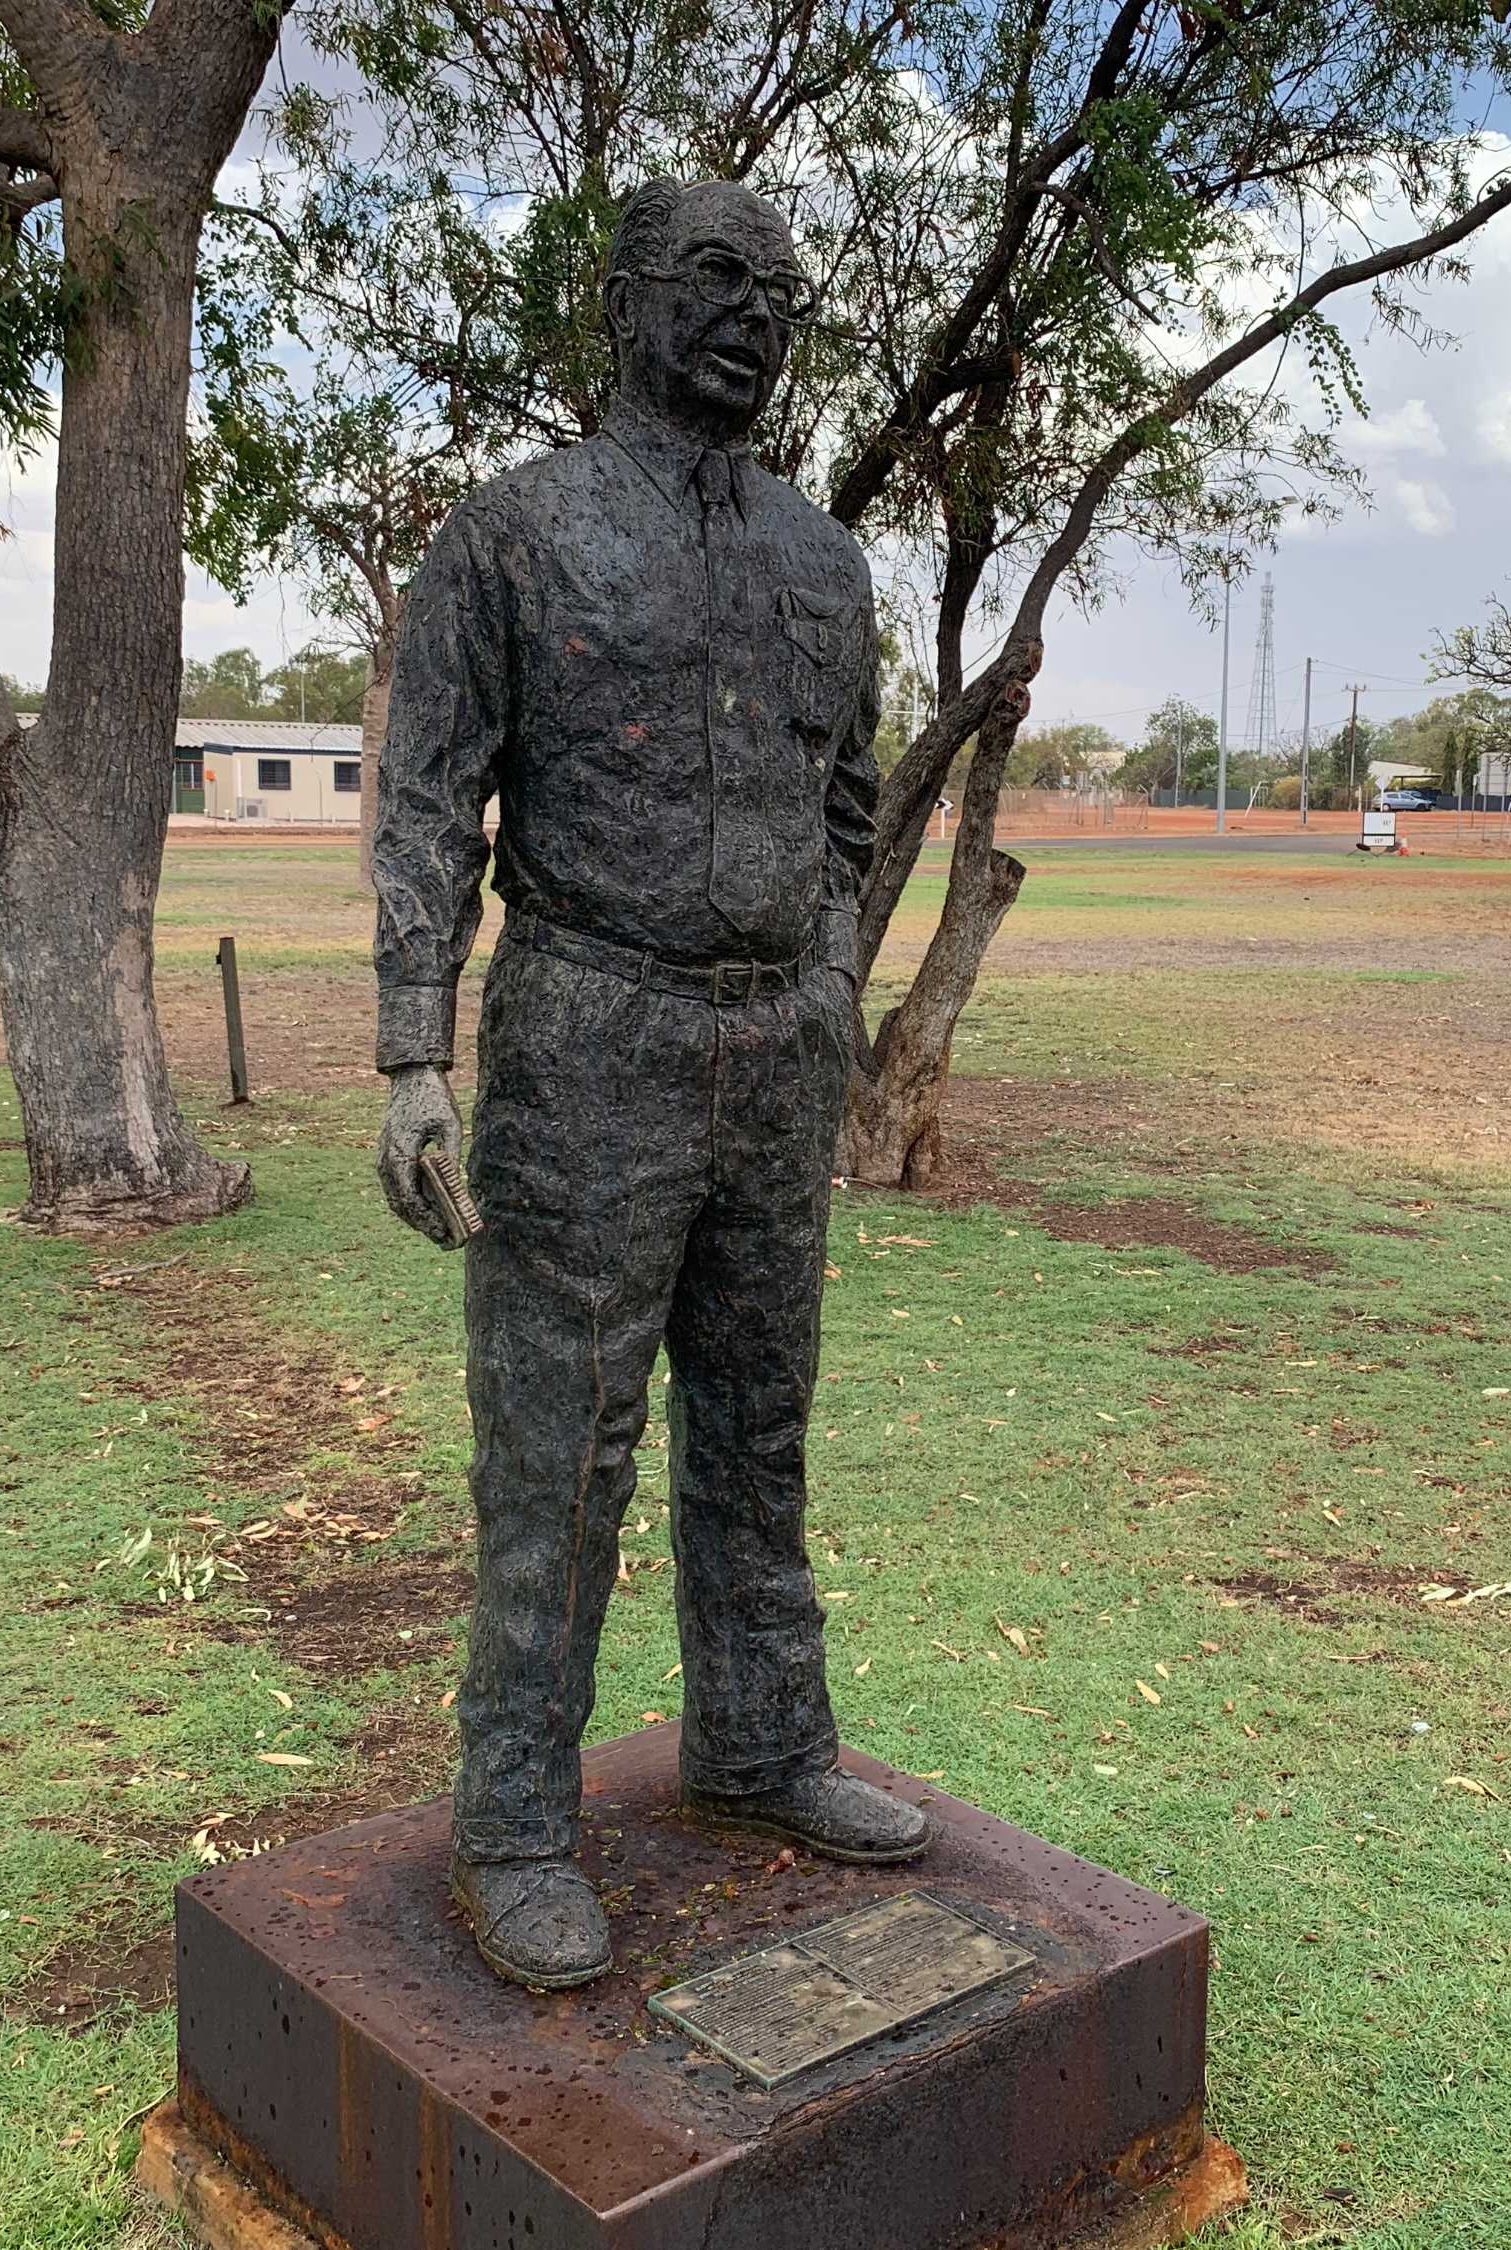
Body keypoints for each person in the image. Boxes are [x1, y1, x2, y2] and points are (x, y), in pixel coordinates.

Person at [368, 179, 926, 1992]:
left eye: (780, 291)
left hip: (778, 1046)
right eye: (715, 277)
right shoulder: (514, 537)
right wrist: (411, 1050)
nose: (754, 313)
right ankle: (517, 1816)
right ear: (622, 300)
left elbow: (850, 806)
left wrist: (828, 977)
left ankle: (762, 1741)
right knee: (560, 1445)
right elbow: (429, 798)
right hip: (588, 1036)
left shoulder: (825, 562)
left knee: (759, 1422)